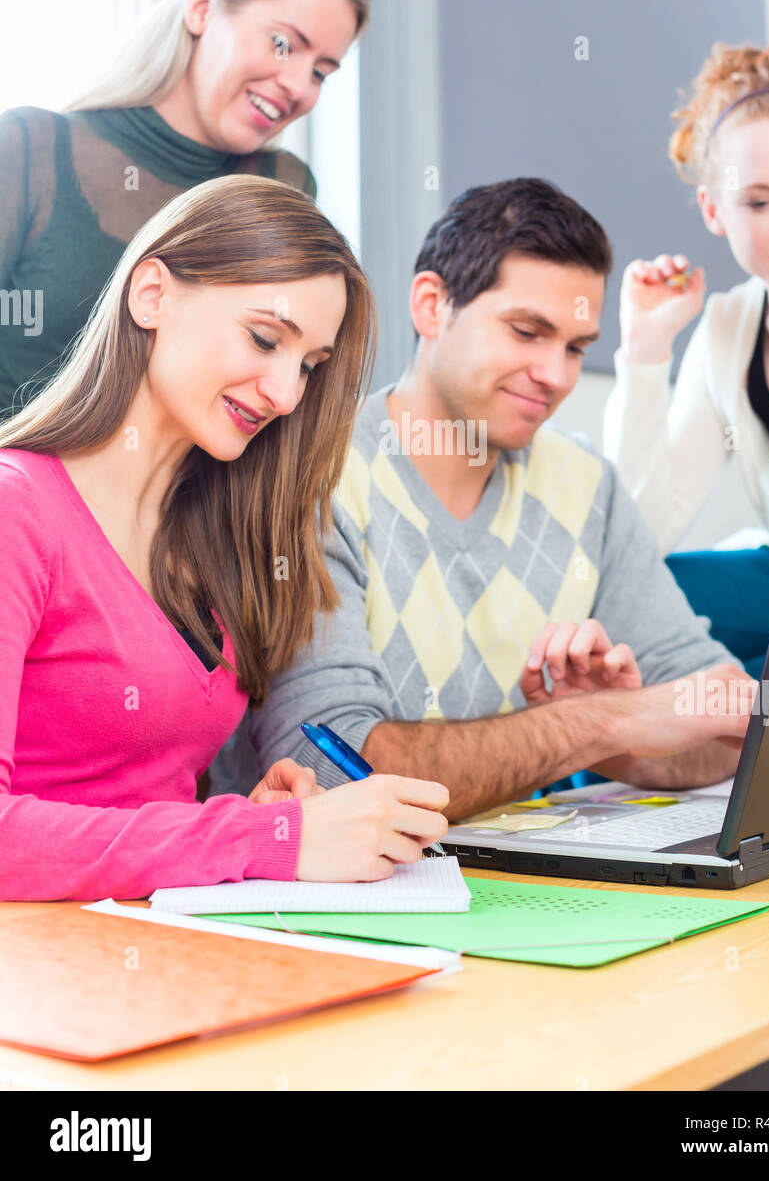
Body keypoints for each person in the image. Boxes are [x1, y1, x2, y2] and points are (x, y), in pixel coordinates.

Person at [210, 178, 755, 818]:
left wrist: (624, 748)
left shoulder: (588, 488)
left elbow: (728, 723)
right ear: (431, 305)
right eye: (527, 331)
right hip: (313, 896)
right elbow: (327, 774)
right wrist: (599, 723)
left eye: (576, 348)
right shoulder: (310, 477)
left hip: (506, 884)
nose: (556, 375)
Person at [0, 174, 449, 903]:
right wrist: (263, 840)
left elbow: (128, 813)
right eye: (265, 338)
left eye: (309, 366)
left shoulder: (209, 542)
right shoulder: (16, 510)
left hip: (161, 952)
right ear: (152, 294)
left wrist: (242, 819)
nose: (286, 394)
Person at [0, 0, 368, 414]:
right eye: (283, 44)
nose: (300, 87)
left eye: (321, 72)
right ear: (201, 8)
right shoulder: (29, 151)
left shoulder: (284, 186)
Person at [603, 43, 769, 677]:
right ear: (714, 211)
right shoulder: (726, 329)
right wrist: (644, 351)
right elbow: (640, 536)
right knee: (617, 609)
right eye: (759, 202)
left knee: (761, 690)